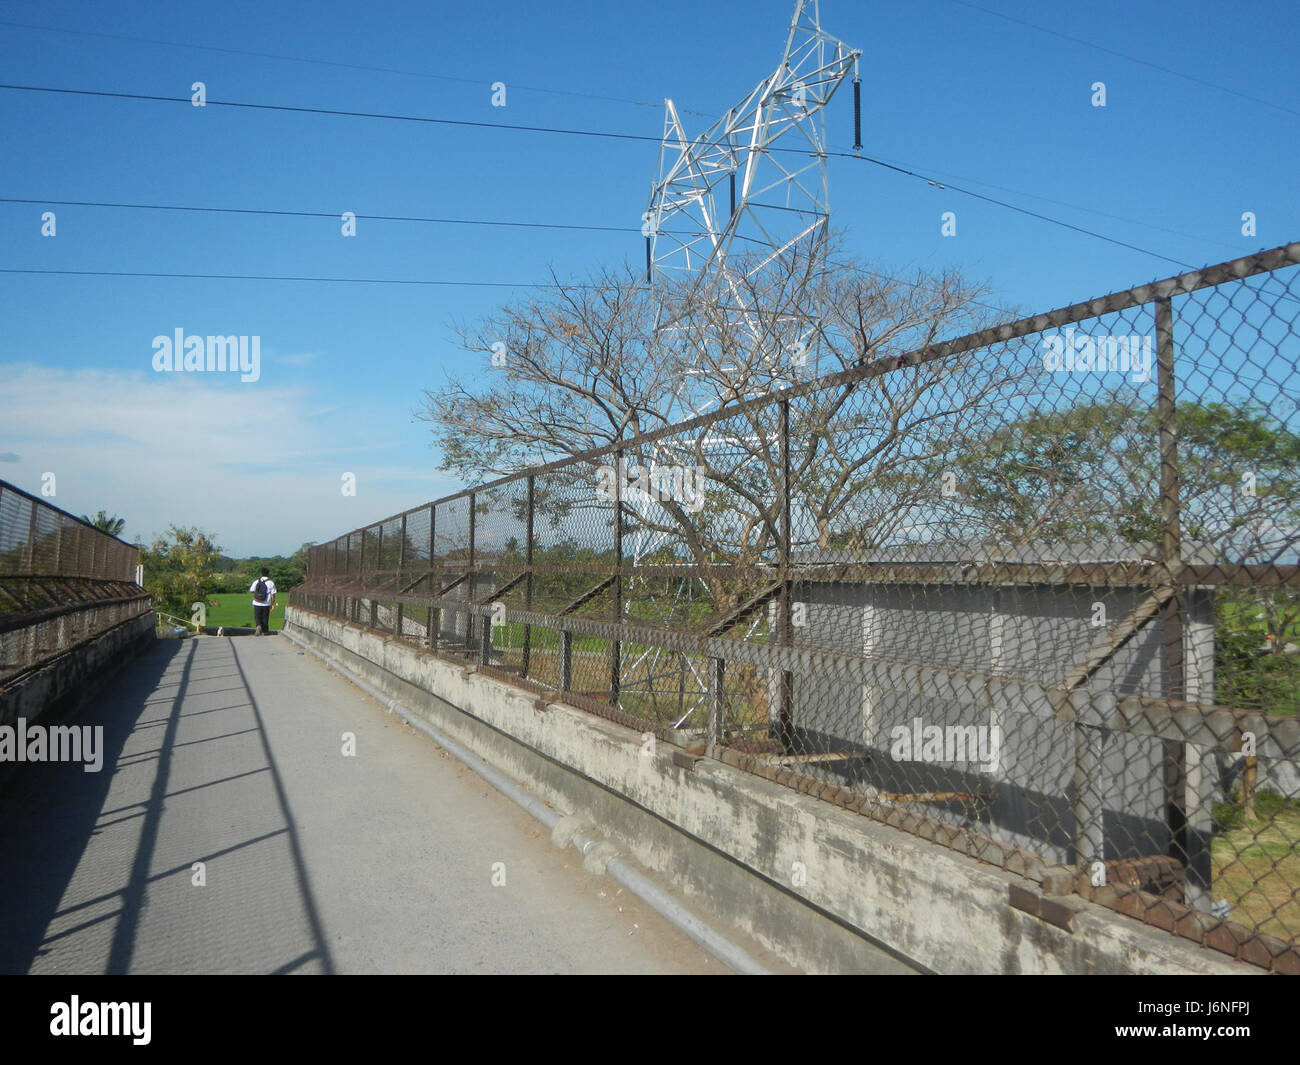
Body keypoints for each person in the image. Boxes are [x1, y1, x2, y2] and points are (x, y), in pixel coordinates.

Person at [249, 568, 277, 635]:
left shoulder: (256, 581)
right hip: (266, 603)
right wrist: (272, 604)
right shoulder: (271, 583)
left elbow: (251, 591)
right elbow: (273, 595)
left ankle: (258, 626)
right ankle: (265, 631)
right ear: (268, 574)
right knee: (265, 617)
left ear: (261, 574)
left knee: (257, 616)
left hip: (256, 602)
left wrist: (257, 593)